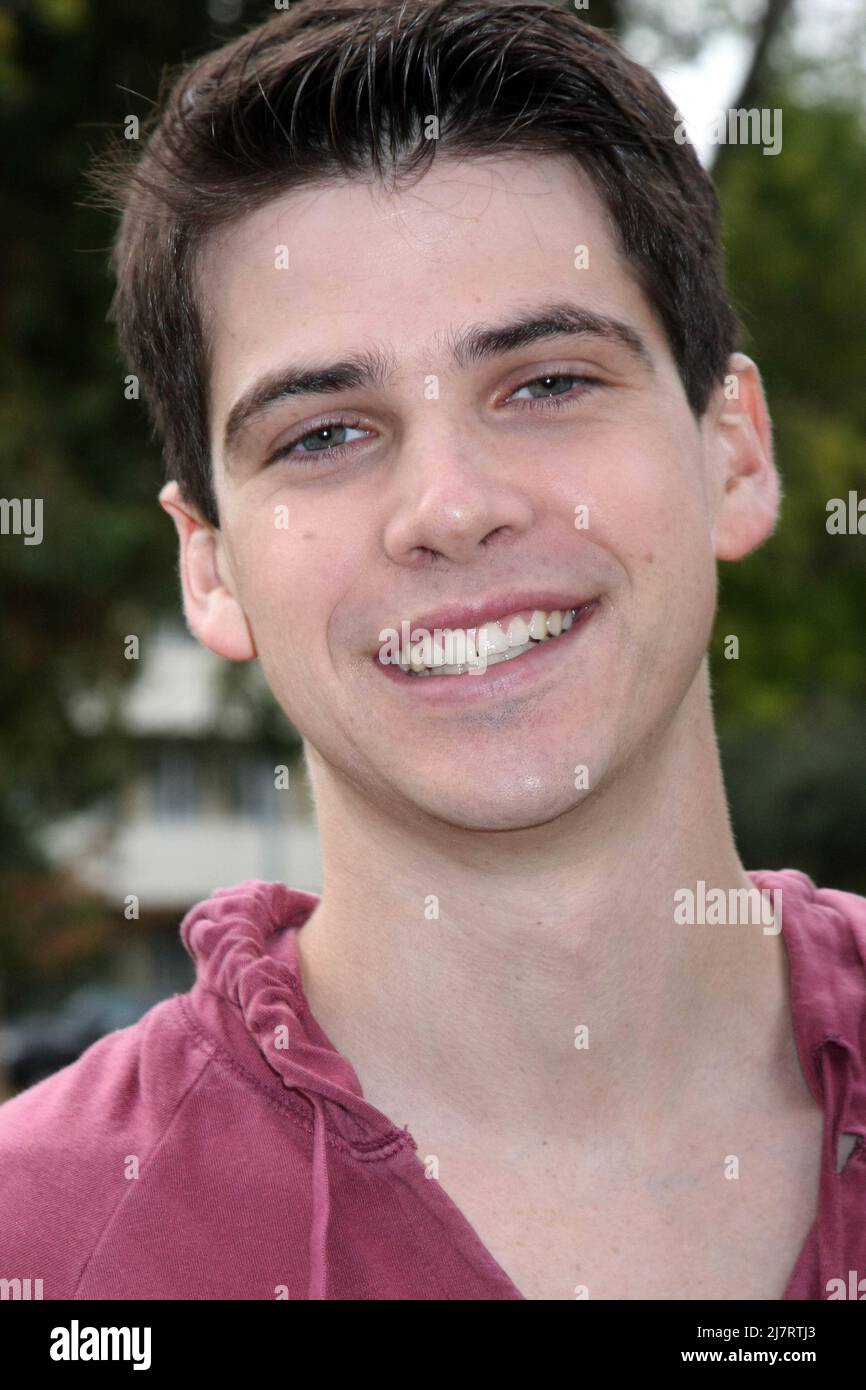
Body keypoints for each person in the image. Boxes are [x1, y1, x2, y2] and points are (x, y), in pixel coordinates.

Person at [1, 0, 864, 1302]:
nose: (452, 507)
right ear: (210, 566)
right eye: (323, 435)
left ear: (731, 450)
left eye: (546, 382)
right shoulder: (42, 1244)